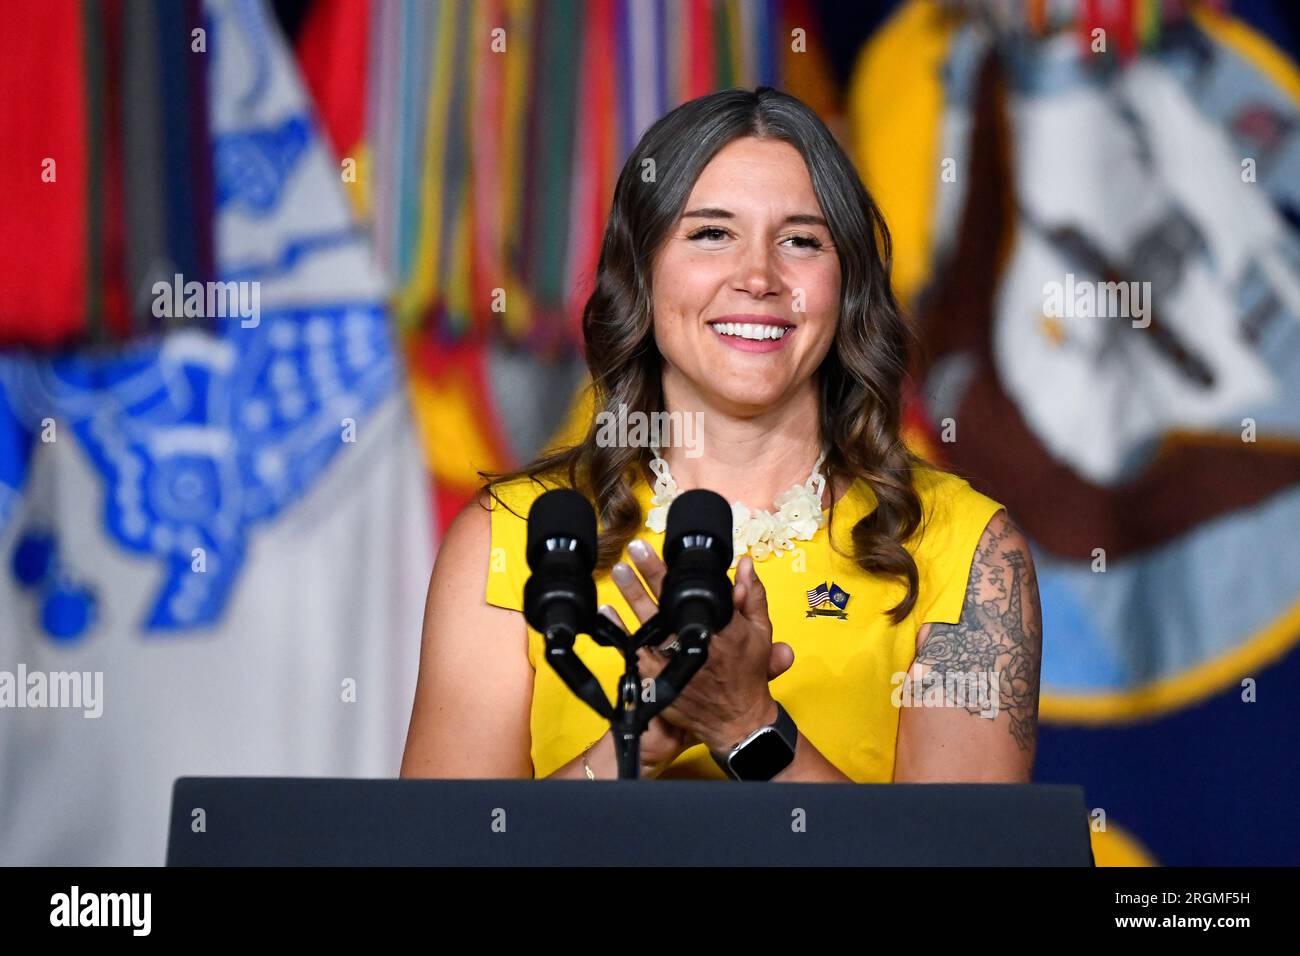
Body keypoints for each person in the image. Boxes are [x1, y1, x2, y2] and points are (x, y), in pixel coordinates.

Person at [401, 86, 1042, 783]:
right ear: (641, 273)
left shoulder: (966, 549)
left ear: (848, 282)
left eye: (800, 240)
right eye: (711, 233)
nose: (759, 277)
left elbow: (970, 866)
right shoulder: (518, 539)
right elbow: (451, 855)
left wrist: (749, 727)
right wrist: (630, 746)